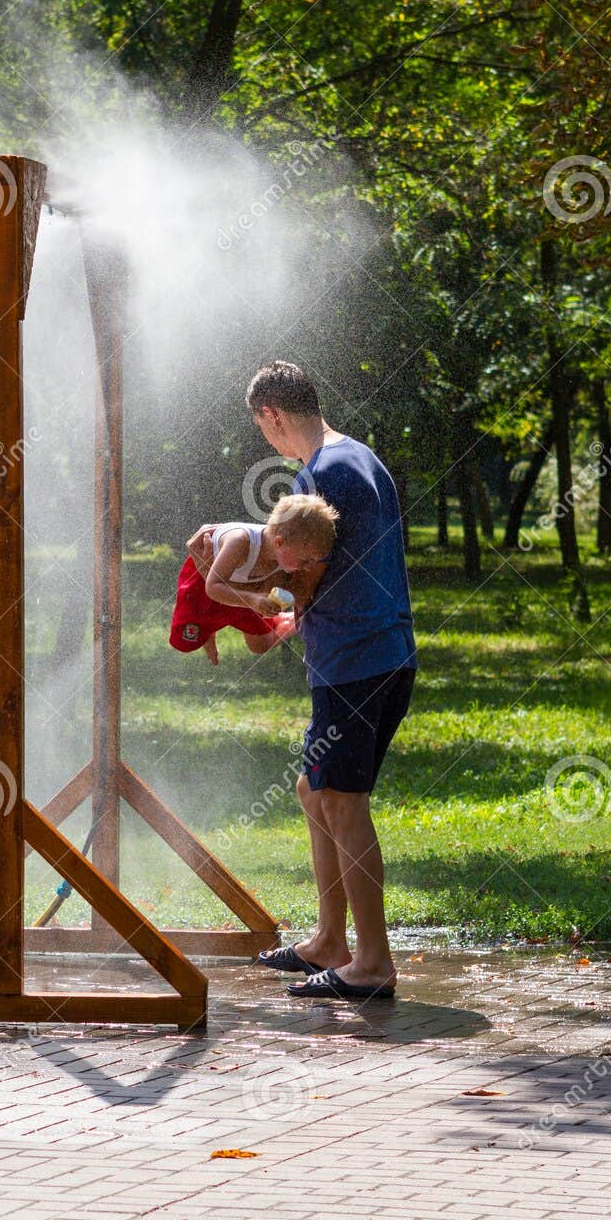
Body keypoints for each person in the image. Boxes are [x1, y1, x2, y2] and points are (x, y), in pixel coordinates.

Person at [188, 360, 416, 1001]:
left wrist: (240, 577)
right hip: (369, 655)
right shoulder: (352, 459)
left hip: (359, 663)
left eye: (264, 429)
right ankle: (329, 941)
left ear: (271, 416)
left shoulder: (329, 472)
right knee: (314, 788)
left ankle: (371, 964)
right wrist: (277, 601)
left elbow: (308, 568)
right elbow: (330, 569)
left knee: (341, 799)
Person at [170, 493, 338, 665]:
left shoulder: (284, 553)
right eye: (305, 560)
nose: (308, 567)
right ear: (279, 543)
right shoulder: (240, 542)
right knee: (184, 642)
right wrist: (253, 600)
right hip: (205, 579)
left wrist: (269, 601)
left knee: (260, 646)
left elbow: (295, 593)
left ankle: (284, 621)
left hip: (245, 588)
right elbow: (213, 587)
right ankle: (208, 631)